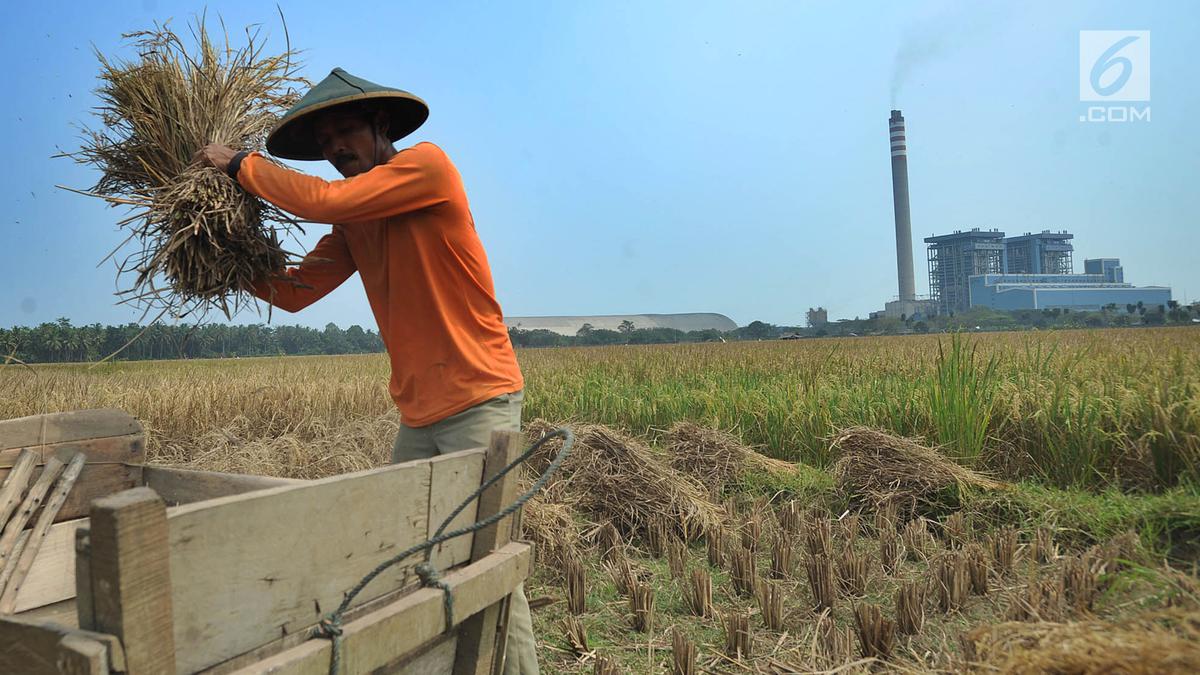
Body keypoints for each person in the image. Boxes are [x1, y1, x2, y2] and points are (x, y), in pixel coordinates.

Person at [194, 67, 537, 674]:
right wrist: (219, 259)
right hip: (418, 411)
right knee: (406, 553)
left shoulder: (427, 168)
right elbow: (295, 289)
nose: (334, 150)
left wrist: (239, 164)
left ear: (381, 125)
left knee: (485, 562)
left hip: (480, 397)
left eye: (345, 131)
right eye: (325, 143)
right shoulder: (356, 219)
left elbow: (319, 199)